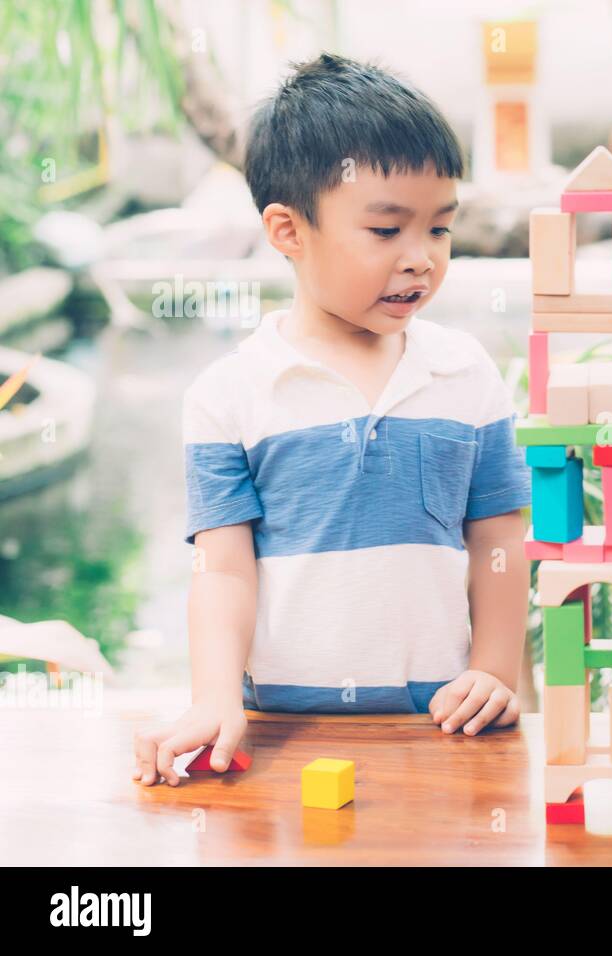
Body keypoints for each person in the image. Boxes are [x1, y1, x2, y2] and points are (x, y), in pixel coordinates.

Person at [135, 54, 531, 785]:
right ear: (287, 230)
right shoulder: (230, 395)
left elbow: (500, 537)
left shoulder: (466, 374)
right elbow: (222, 570)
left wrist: (496, 671)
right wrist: (214, 696)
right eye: (386, 232)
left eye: (440, 230)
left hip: (443, 729)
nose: (420, 260)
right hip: (281, 738)